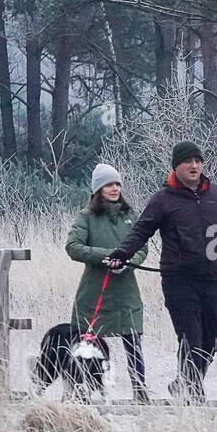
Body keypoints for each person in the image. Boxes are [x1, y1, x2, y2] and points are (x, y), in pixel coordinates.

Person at [102, 141, 217, 403]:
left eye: (198, 161)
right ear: (176, 166)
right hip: (179, 281)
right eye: (188, 161)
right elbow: (140, 232)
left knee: (211, 342)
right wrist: (121, 254)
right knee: (192, 340)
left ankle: (184, 382)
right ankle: (195, 398)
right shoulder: (163, 200)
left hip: (212, 279)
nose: (194, 166)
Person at [65, 164, 150, 403]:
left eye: (117, 184)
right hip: (94, 292)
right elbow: (73, 247)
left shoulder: (130, 215)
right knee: (86, 345)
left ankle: (140, 392)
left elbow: (142, 247)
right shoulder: (86, 217)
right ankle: (80, 390)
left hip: (126, 292)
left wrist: (127, 262)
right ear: (98, 189)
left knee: (133, 342)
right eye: (109, 184)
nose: (114, 188)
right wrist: (107, 256)